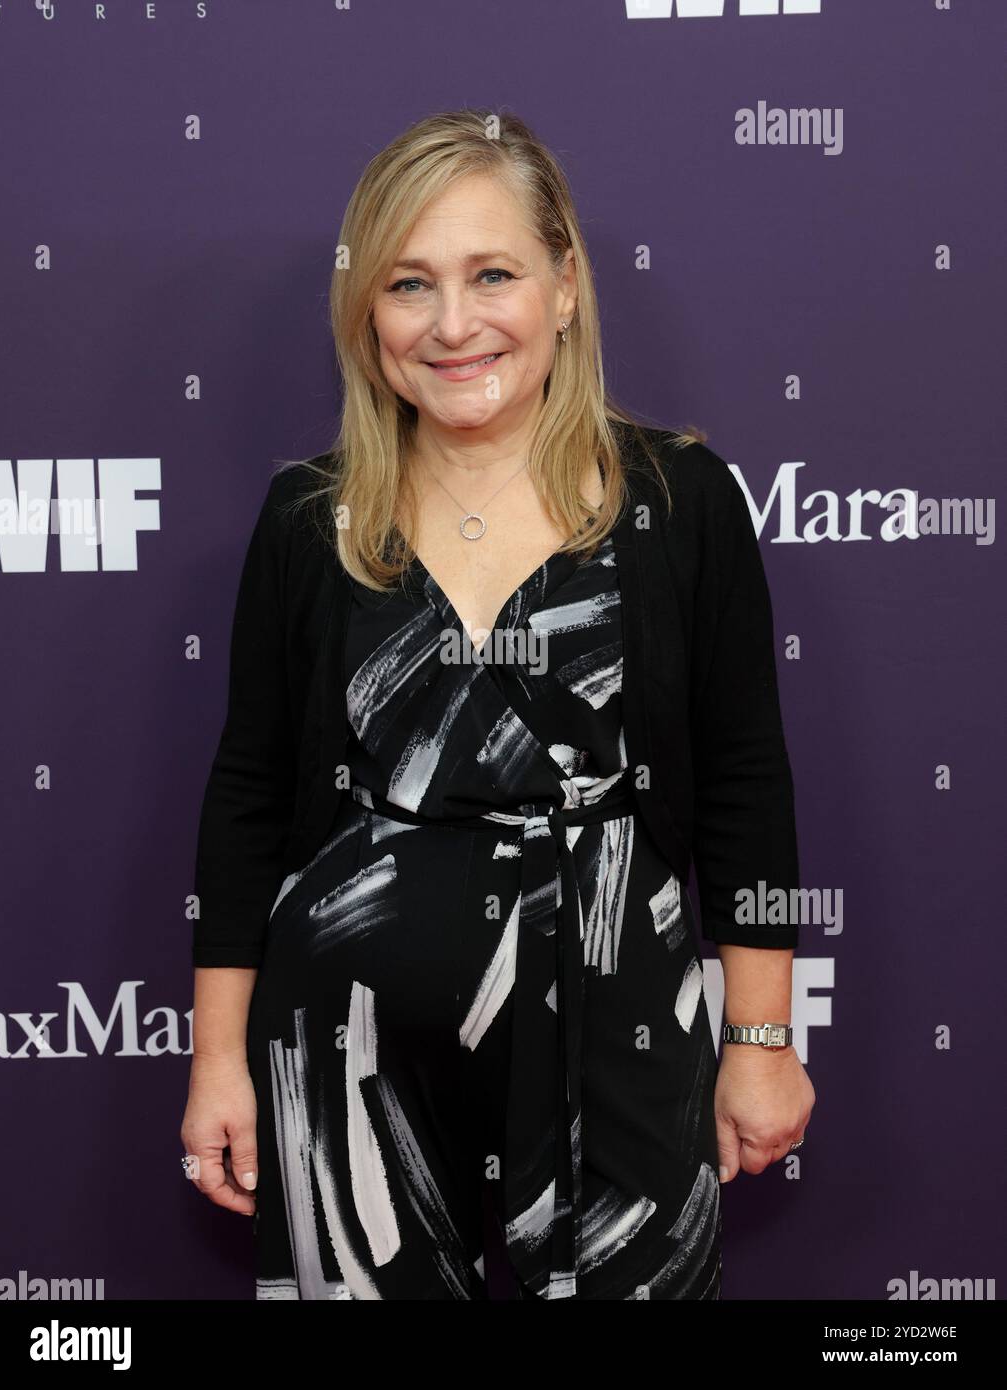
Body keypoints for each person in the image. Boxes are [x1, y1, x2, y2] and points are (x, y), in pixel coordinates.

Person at [180, 108, 815, 1301]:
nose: (454, 323)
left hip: (623, 1024)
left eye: (494, 274)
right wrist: (222, 1060)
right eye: (410, 283)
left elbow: (745, 783)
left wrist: (761, 1042)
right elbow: (248, 799)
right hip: (348, 1049)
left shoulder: (677, 502)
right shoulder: (309, 520)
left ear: (566, 286)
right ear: (366, 314)